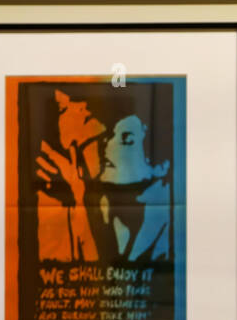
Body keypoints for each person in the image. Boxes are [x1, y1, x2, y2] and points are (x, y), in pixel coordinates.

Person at [34, 89, 172, 263]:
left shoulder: (165, 223)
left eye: (127, 139)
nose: (107, 146)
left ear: (161, 165)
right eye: (104, 138)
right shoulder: (91, 206)